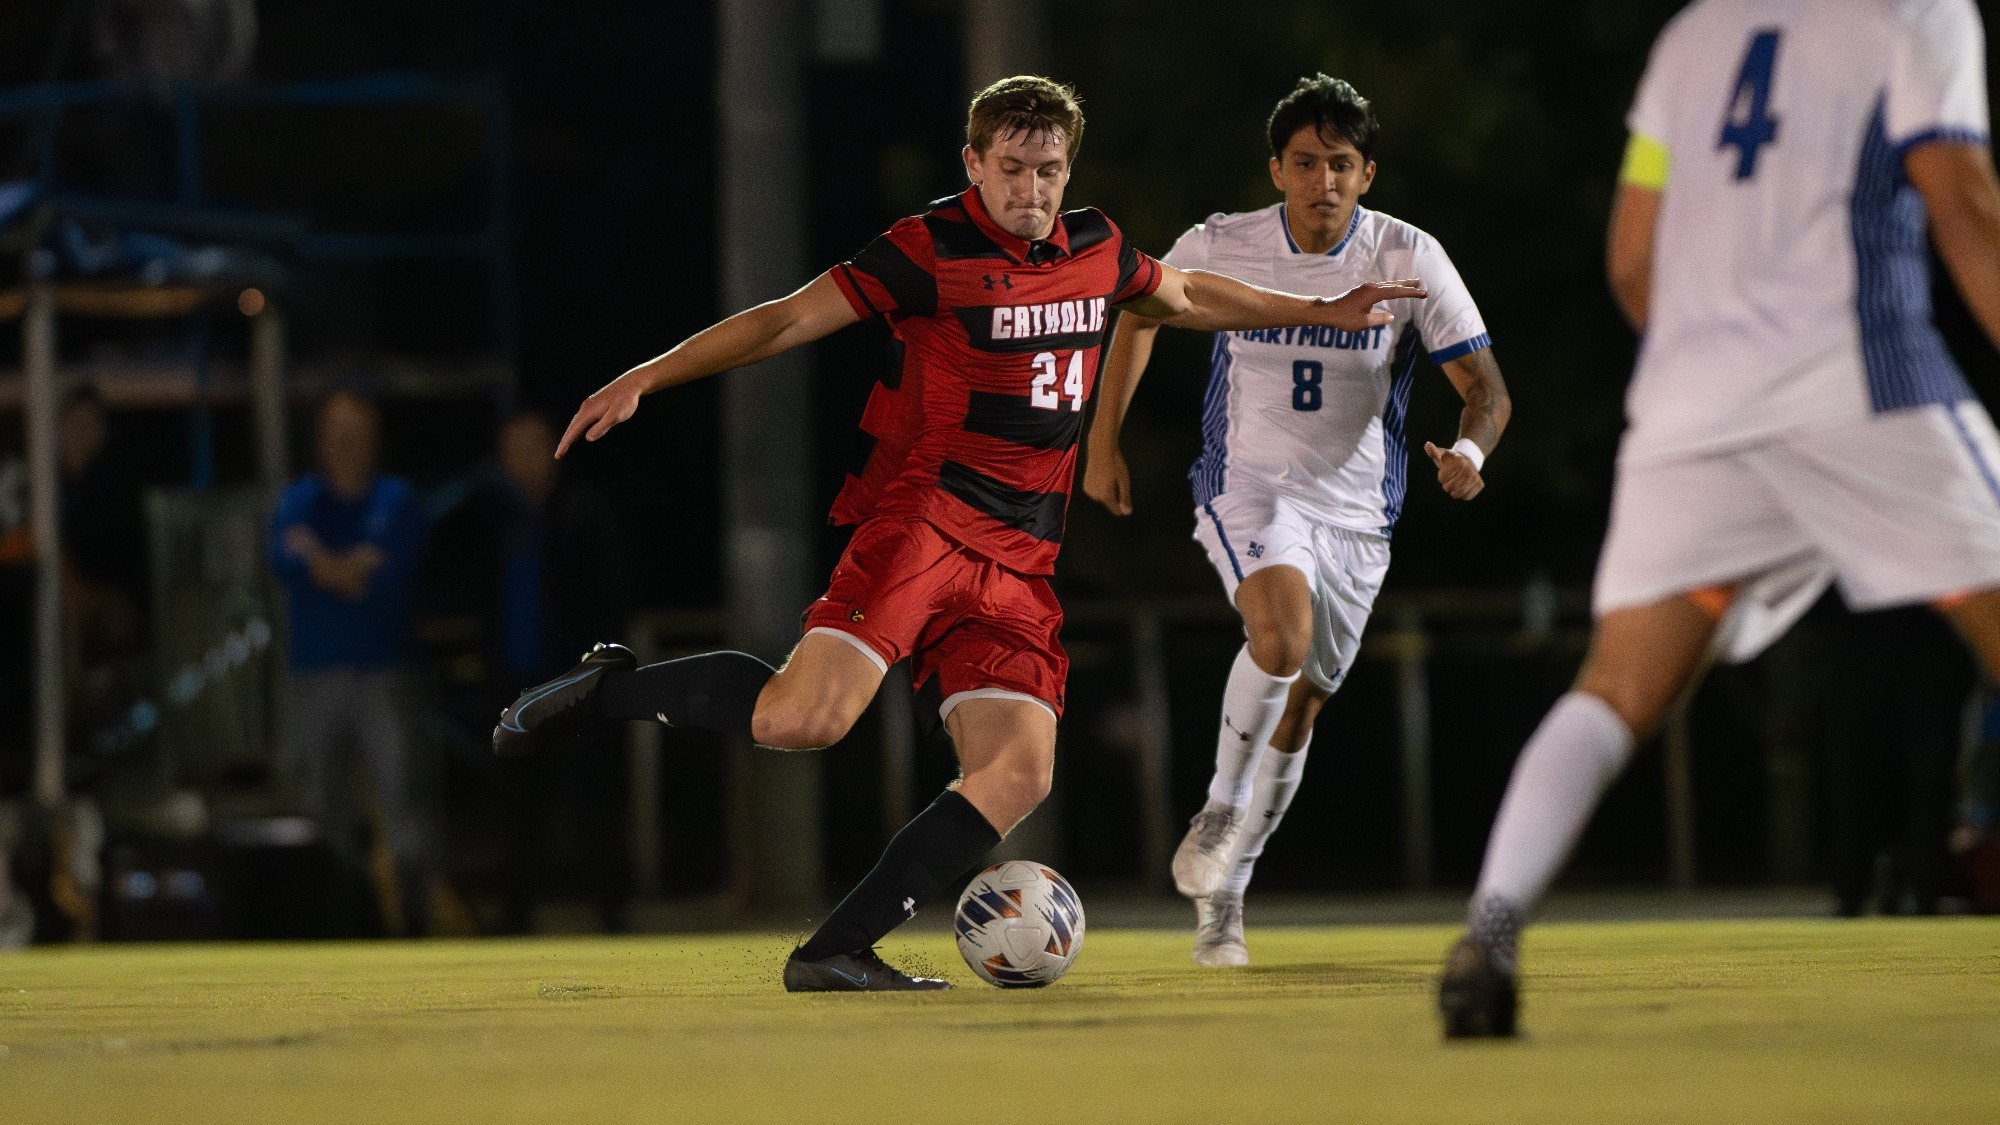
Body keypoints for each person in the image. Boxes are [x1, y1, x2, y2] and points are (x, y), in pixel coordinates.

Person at [496, 75, 1428, 991]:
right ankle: (607, 691)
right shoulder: (928, 247)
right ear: (974, 163)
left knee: (1019, 770)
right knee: (801, 719)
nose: (1032, 190)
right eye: (1013, 169)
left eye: (1049, 171)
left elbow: (1185, 297)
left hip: (1020, 561)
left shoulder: (1098, 246)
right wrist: (649, 375)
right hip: (926, 525)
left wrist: (1319, 310)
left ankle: (833, 950)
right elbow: (785, 321)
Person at [1439, 0, 2000, 1037]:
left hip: (1691, 412)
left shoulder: (1693, 36)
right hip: (1863, 386)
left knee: (1614, 688)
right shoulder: (1914, 12)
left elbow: (1629, 258)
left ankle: (1493, 928)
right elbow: (1963, 208)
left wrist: (1721, 365)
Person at [1085, 75, 1511, 966]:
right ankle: (1219, 809)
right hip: (1248, 484)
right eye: (1307, 162)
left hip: (1358, 513)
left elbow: (1486, 390)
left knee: (1303, 703)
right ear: (1276, 168)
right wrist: (1103, 442)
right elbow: (1139, 315)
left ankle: (1225, 899)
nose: (1324, 180)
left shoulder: (1408, 256)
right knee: (1279, 638)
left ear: (1367, 174)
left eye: (1341, 164)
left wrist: (1470, 454)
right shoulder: (1220, 241)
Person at [270, 390, 432, 936]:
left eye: (355, 433)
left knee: (402, 799)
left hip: (384, 673)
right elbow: (285, 561)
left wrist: (320, 560)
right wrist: (348, 565)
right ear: (320, 441)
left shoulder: (397, 499)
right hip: (314, 675)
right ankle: (337, 924)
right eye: (335, 434)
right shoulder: (298, 499)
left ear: (374, 440)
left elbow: (388, 577)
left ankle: (414, 925)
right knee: (320, 807)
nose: (345, 444)